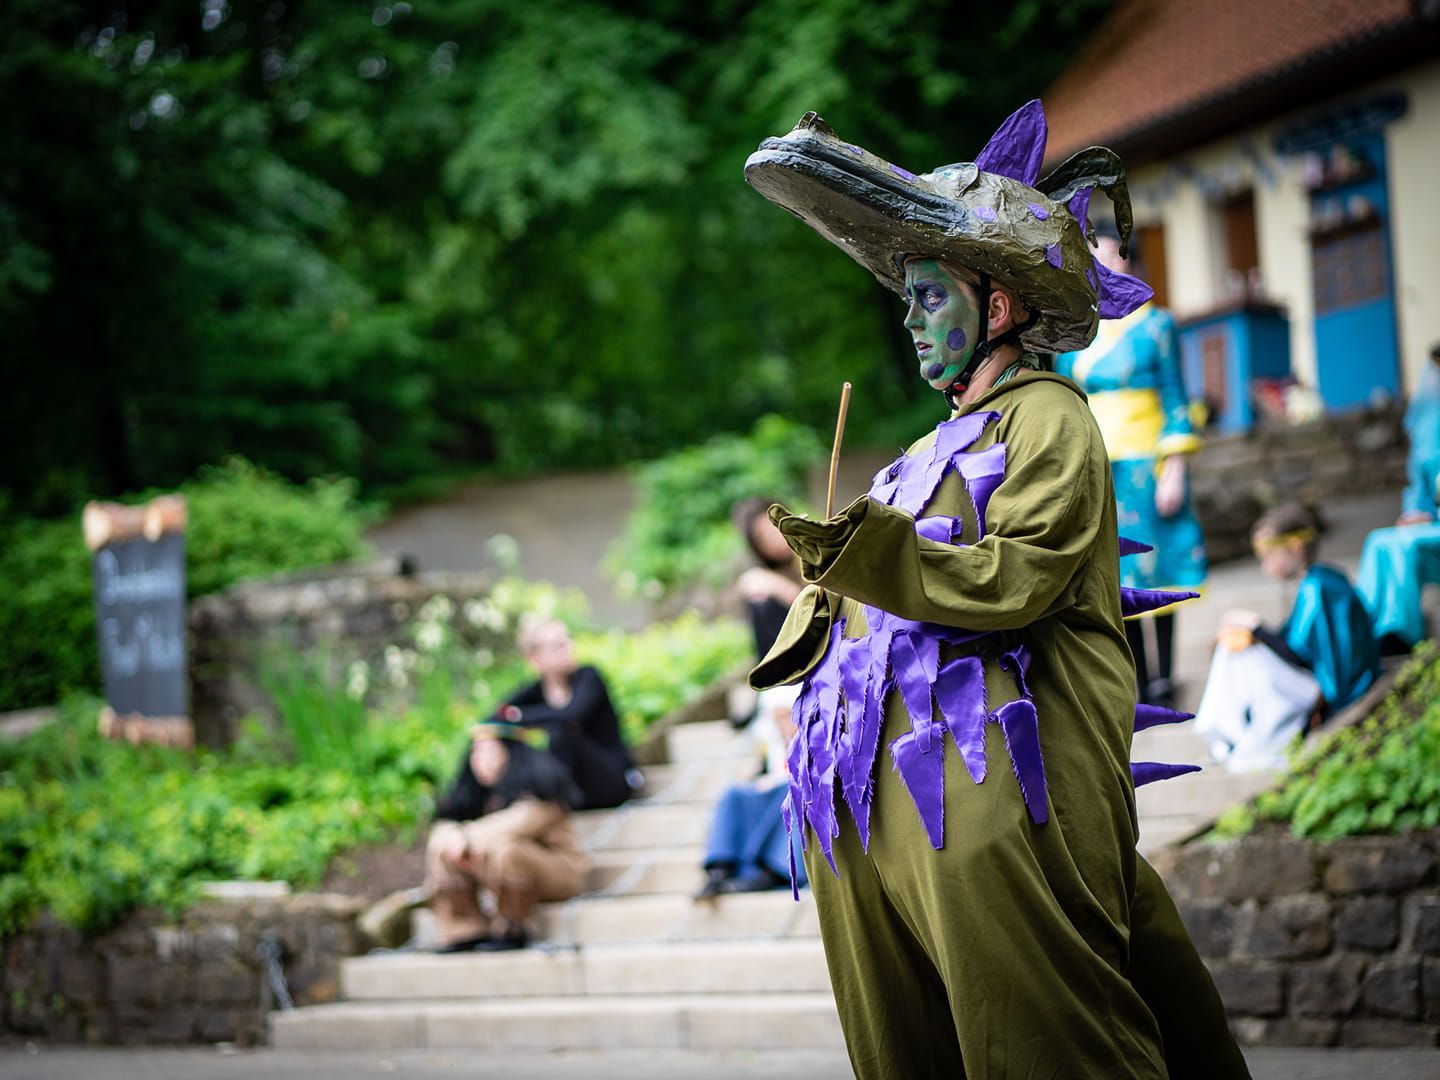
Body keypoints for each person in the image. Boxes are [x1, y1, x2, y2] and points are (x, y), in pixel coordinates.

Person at [743, 101, 1248, 1079]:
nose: (908, 317)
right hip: (871, 807)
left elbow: (1013, 577)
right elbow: (870, 597)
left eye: (929, 295)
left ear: (1000, 306)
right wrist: (821, 602)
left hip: (988, 792)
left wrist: (868, 556)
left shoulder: (1051, 419)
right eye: (906, 299)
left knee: (1047, 1041)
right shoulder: (924, 452)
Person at [1057, 223, 1208, 707]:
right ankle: (1140, 682)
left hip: (1148, 466)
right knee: (1115, 574)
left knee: (1157, 564)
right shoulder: (1077, 335)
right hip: (1098, 467)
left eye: (1107, 256)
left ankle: (1166, 676)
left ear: (1128, 259)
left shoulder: (1158, 325)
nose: (1100, 267)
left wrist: (1176, 468)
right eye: (1092, 260)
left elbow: (1178, 400)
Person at [1194, 504, 1382, 771]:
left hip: (1320, 687)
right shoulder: (1318, 580)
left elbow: (1298, 656)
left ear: (1295, 548)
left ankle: (1233, 739)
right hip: (1311, 680)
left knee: (1236, 651)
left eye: (1269, 556)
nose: (1265, 566)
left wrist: (1255, 626)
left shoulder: (1319, 587)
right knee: (1235, 643)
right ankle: (1229, 738)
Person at [425, 718, 587, 951]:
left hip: (559, 874)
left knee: (506, 849)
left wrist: (462, 836)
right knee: (443, 844)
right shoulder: (481, 795)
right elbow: (448, 827)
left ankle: (513, 928)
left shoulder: (542, 797)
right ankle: (463, 931)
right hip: (494, 866)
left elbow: (510, 825)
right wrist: (452, 836)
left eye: (490, 752)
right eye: (477, 753)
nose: (481, 761)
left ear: (511, 754)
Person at [494, 616, 639, 811]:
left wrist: (518, 716)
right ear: (536, 658)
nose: (568, 648)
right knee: (509, 742)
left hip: (611, 781)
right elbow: (497, 716)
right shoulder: (535, 691)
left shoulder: (589, 676)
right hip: (576, 790)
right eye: (557, 645)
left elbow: (571, 713)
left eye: (567, 640)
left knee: (561, 734)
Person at [1356, 343, 1440, 652]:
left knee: (1404, 546)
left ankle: (1400, 633)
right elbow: (1420, 488)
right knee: (1379, 541)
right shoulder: (1429, 429)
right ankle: (1363, 627)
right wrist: (1415, 513)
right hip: (1433, 524)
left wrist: (1430, 517)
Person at [694, 683, 806, 899]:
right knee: (733, 794)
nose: (783, 725)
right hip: (779, 792)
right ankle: (721, 869)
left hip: (804, 795)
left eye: (787, 717)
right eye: (778, 719)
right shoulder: (775, 744)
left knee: (797, 791)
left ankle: (780, 870)